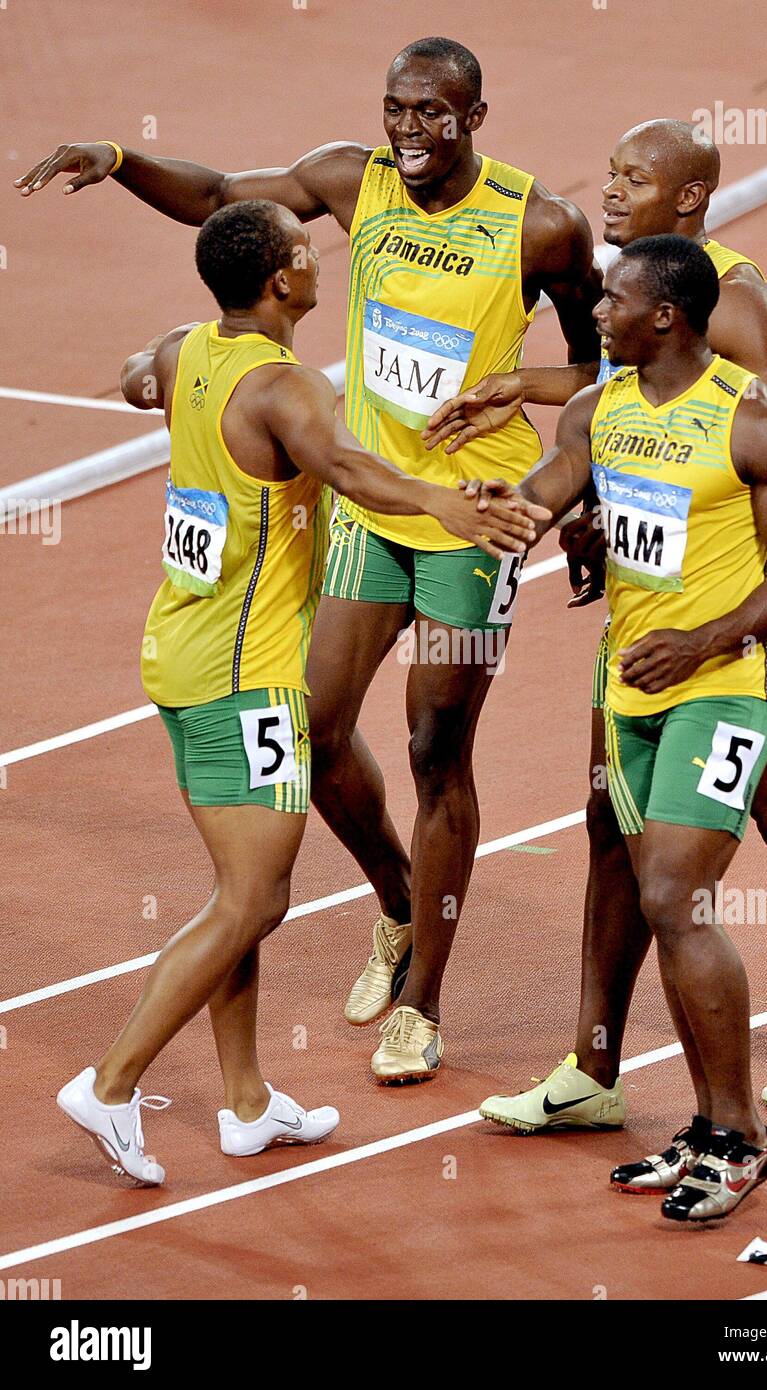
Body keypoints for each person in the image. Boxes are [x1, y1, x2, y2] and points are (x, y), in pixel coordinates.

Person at [19, 37, 602, 1083]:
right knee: (317, 726)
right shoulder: (350, 177)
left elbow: (597, 366)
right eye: (397, 109)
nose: (410, 131)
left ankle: (422, 1002)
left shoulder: (542, 225)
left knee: (435, 745)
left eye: (433, 113)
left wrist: (569, 471)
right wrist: (119, 157)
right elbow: (219, 196)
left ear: (475, 114)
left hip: (473, 516)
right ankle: (397, 905)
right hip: (371, 504)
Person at [56, 199, 543, 1186]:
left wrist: (173, 397)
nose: (320, 259)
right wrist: (451, 501)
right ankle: (109, 1085)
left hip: (181, 649)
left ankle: (244, 1103)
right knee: (258, 895)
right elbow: (355, 469)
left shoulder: (187, 347)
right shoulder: (284, 389)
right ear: (283, 279)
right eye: (302, 249)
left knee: (240, 895)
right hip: (249, 675)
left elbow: (133, 379)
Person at [425, 119, 767, 1116]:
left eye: (633, 179)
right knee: (607, 823)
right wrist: (579, 461)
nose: (609, 194)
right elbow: (639, 393)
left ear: (691, 202)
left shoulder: (739, 302)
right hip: (650, 613)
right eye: (611, 172)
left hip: (754, 601)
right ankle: (592, 1069)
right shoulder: (644, 308)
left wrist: (746, 618)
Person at [468, 236, 767, 1219]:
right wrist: (500, 510)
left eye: (612, 299)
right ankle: (713, 1127)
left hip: (725, 682)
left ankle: (749, 1133)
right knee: (660, 897)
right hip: (632, 685)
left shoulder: (756, 421)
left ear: (665, 315)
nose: (593, 309)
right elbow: (552, 489)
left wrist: (704, 640)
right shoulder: (599, 408)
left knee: (678, 892)